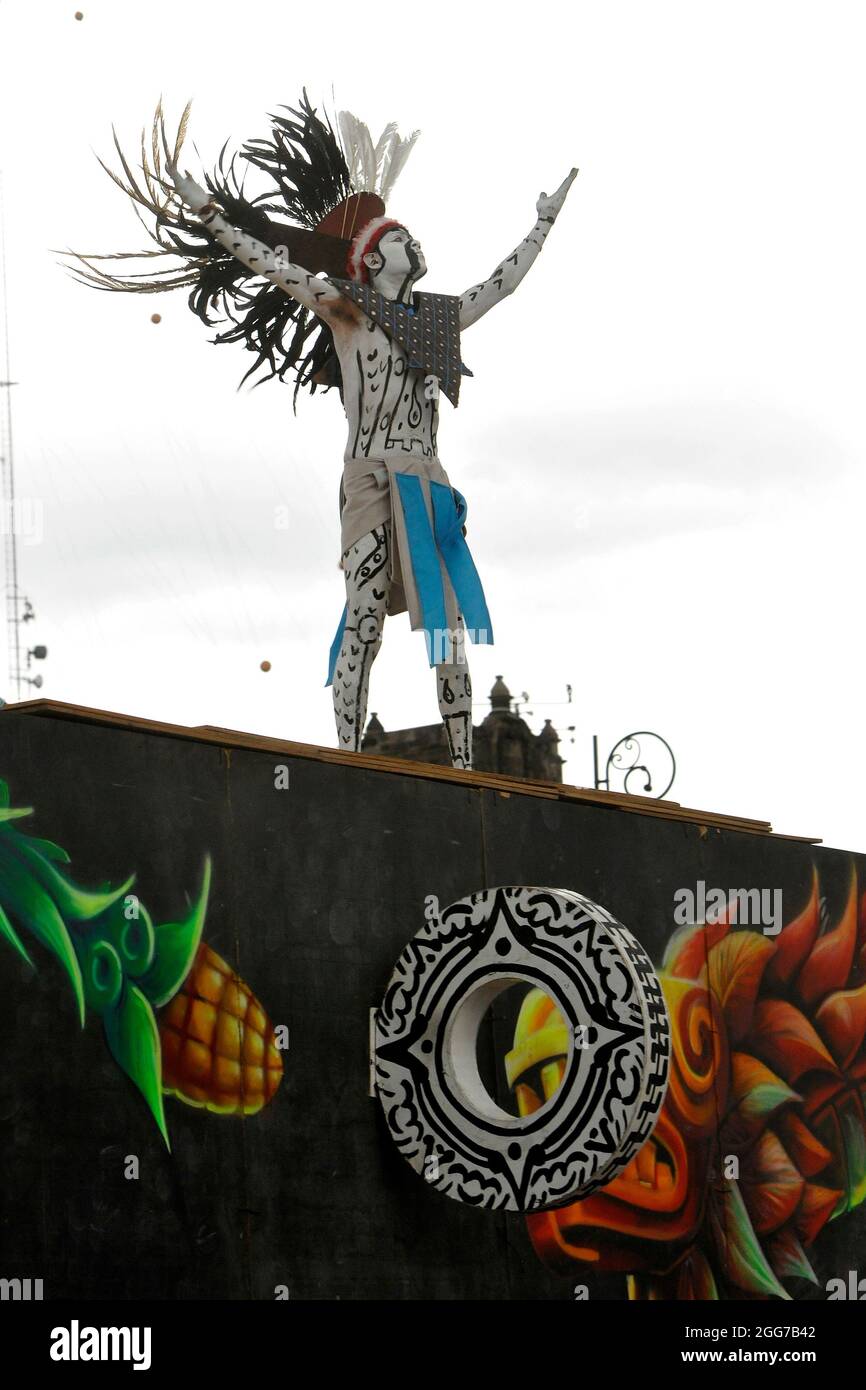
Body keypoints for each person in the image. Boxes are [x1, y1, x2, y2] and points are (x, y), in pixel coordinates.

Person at [69, 96, 577, 768]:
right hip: (370, 479)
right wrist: (209, 213)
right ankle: (348, 757)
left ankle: (461, 766)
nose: (410, 240)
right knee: (364, 620)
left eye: (409, 236)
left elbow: (499, 286)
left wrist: (541, 226)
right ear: (370, 259)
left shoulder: (436, 320)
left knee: (447, 628)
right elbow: (269, 265)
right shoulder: (348, 313)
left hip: (427, 485)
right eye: (396, 236)